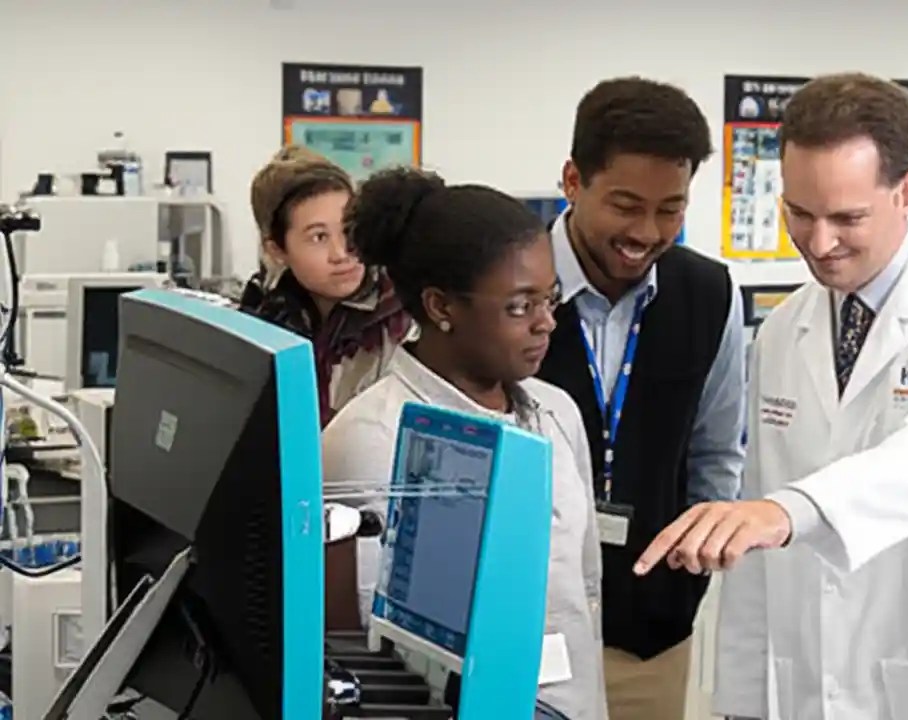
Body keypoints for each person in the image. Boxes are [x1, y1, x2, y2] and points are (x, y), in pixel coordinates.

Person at [635, 73, 908, 720]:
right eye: (799, 214)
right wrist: (743, 698)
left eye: (848, 218)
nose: (818, 241)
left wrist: (790, 511)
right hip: (808, 689)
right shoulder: (786, 329)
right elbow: (762, 551)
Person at [321, 167, 607, 720]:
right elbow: (362, 651)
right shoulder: (371, 440)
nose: (547, 323)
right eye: (521, 306)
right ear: (441, 307)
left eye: (549, 299)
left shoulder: (555, 413)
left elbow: (585, 594)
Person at [536, 76, 745, 720]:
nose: (647, 231)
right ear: (573, 181)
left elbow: (717, 452)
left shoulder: (709, 295)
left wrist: (695, 571)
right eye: (626, 205)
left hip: (651, 640)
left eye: (670, 208)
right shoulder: (508, 287)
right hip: (527, 638)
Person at [241, 146, 413, 427]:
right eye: (319, 237)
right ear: (276, 250)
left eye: (348, 229)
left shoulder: (402, 319)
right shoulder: (269, 319)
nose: (342, 253)